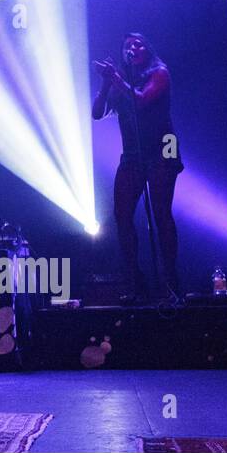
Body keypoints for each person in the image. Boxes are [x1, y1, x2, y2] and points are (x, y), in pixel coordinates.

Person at [92, 33, 183, 302]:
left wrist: (117, 79)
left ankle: (170, 282)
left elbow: (142, 100)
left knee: (160, 213)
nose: (133, 47)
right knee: (122, 214)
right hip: (133, 152)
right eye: (127, 45)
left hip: (164, 145)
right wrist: (106, 83)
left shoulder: (159, 72)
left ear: (148, 49)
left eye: (139, 43)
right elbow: (97, 113)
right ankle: (136, 281)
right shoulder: (121, 82)